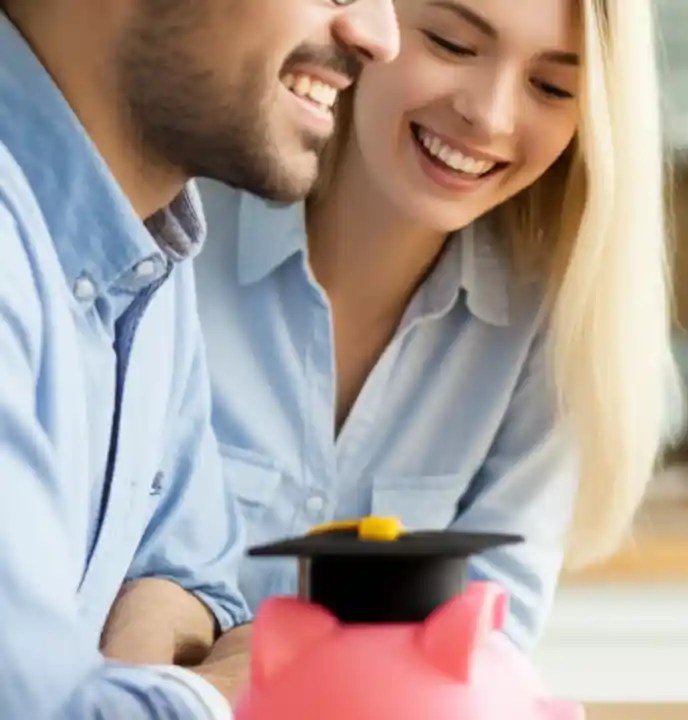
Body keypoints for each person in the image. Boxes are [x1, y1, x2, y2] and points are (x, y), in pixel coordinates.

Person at [194, 0, 678, 651]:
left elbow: (486, 649)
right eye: (451, 44)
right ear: (365, 20)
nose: (491, 114)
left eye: (552, 86)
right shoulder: (178, 234)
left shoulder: (549, 326)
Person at [0, 0, 398, 717]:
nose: (381, 37)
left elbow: (196, 578)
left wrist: (132, 678)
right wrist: (216, 690)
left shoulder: (152, 252)